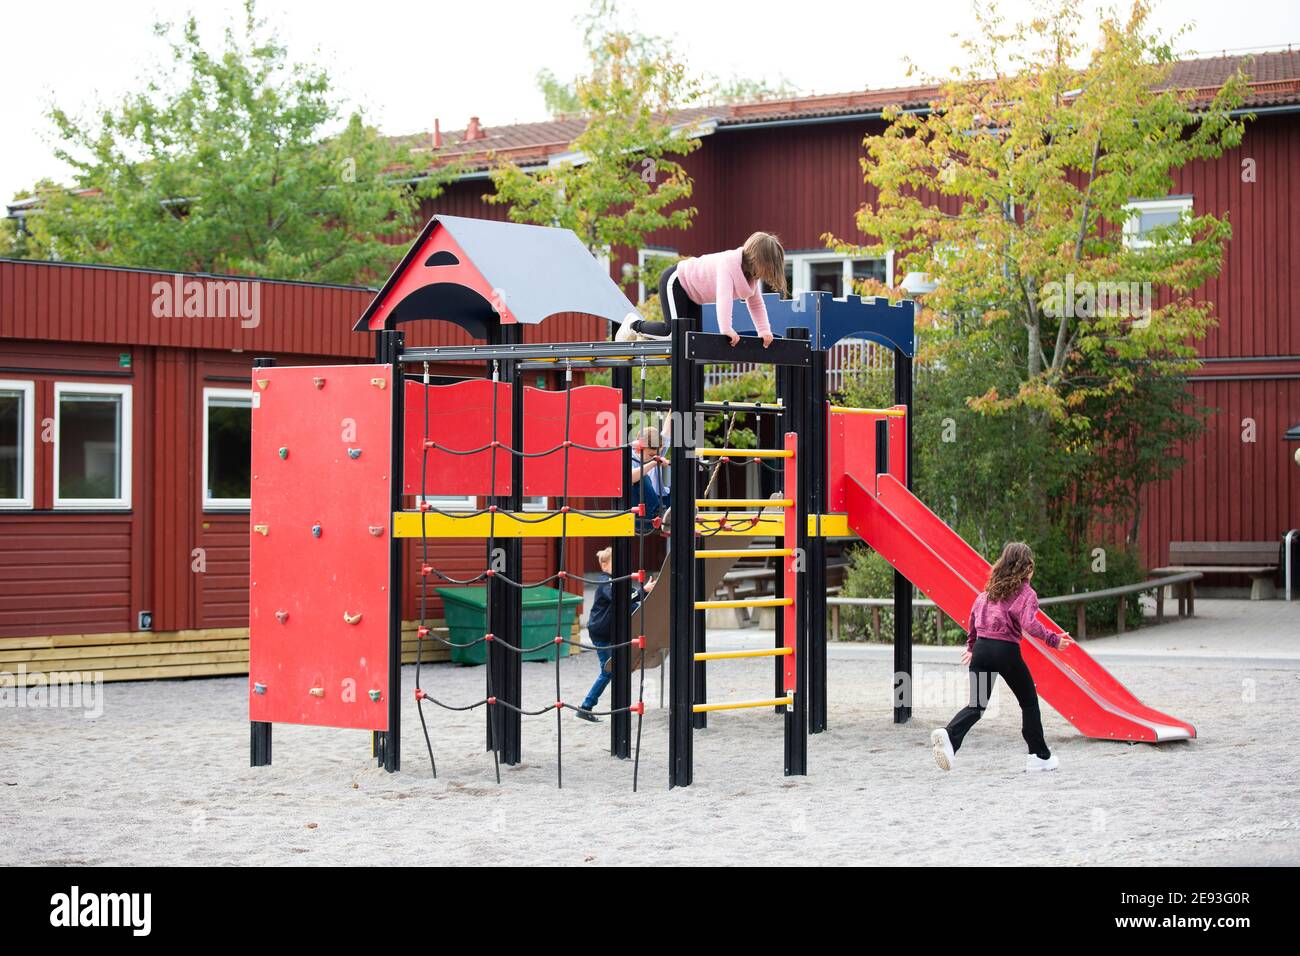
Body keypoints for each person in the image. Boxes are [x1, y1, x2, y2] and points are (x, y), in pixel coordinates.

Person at [931, 542, 1075, 773]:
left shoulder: (986, 595)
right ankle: (1038, 756)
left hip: (981, 650)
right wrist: (1053, 640)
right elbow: (1029, 623)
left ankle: (949, 735)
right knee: (1028, 701)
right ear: (1027, 567)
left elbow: (973, 622)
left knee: (976, 705)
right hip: (1005, 651)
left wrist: (971, 647)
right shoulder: (1026, 593)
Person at [641, 233, 788, 347]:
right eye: (768, 268)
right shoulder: (729, 264)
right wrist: (726, 329)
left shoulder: (751, 276)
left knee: (692, 341)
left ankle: (692, 385)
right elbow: (724, 298)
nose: (765, 274)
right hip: (677, 281)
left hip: (693, 294)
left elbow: (756, 305)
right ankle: (634, 325)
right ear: (758, 260)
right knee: (673, 332)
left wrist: (764, 331)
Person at [575, 547, 653, 721]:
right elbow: (621, 599)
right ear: (605, 566)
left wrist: (642, 598)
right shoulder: (605, 581)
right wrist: (643, 591)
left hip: (612, 632)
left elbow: (630, 601)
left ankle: (595, 706)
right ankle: (586, 707)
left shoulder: (618, 581)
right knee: (608, 670)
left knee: (614, 669)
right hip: (602, 632)